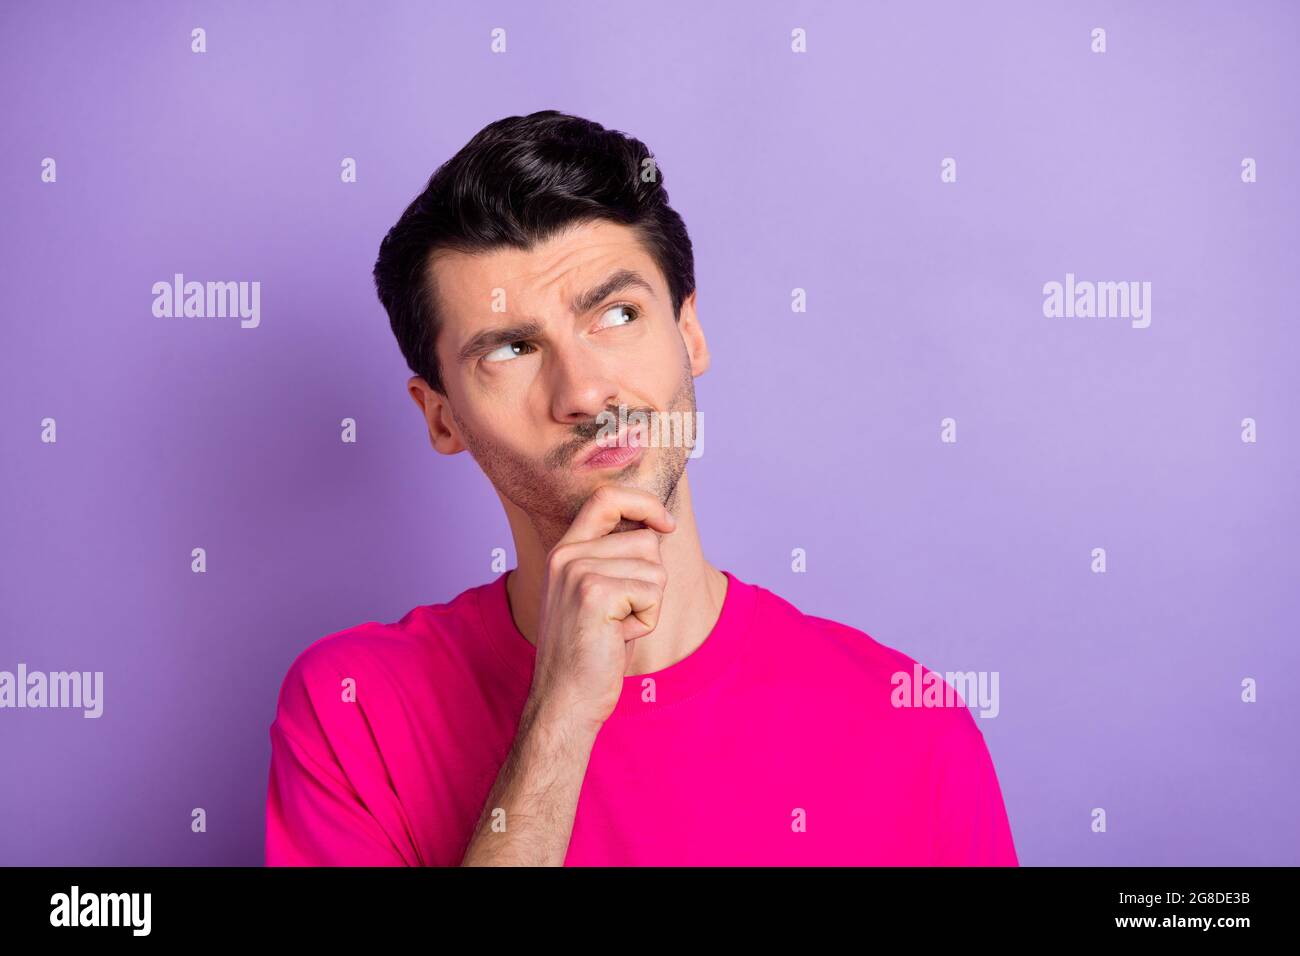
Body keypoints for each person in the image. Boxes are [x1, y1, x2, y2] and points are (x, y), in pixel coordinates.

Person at [264, 110, 1018, 866]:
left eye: (617, 314)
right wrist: (560, 715)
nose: (586, 391)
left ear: (689, 334)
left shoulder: (909, 728)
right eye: (513, 348)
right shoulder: (352, 711)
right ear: (442, 418)